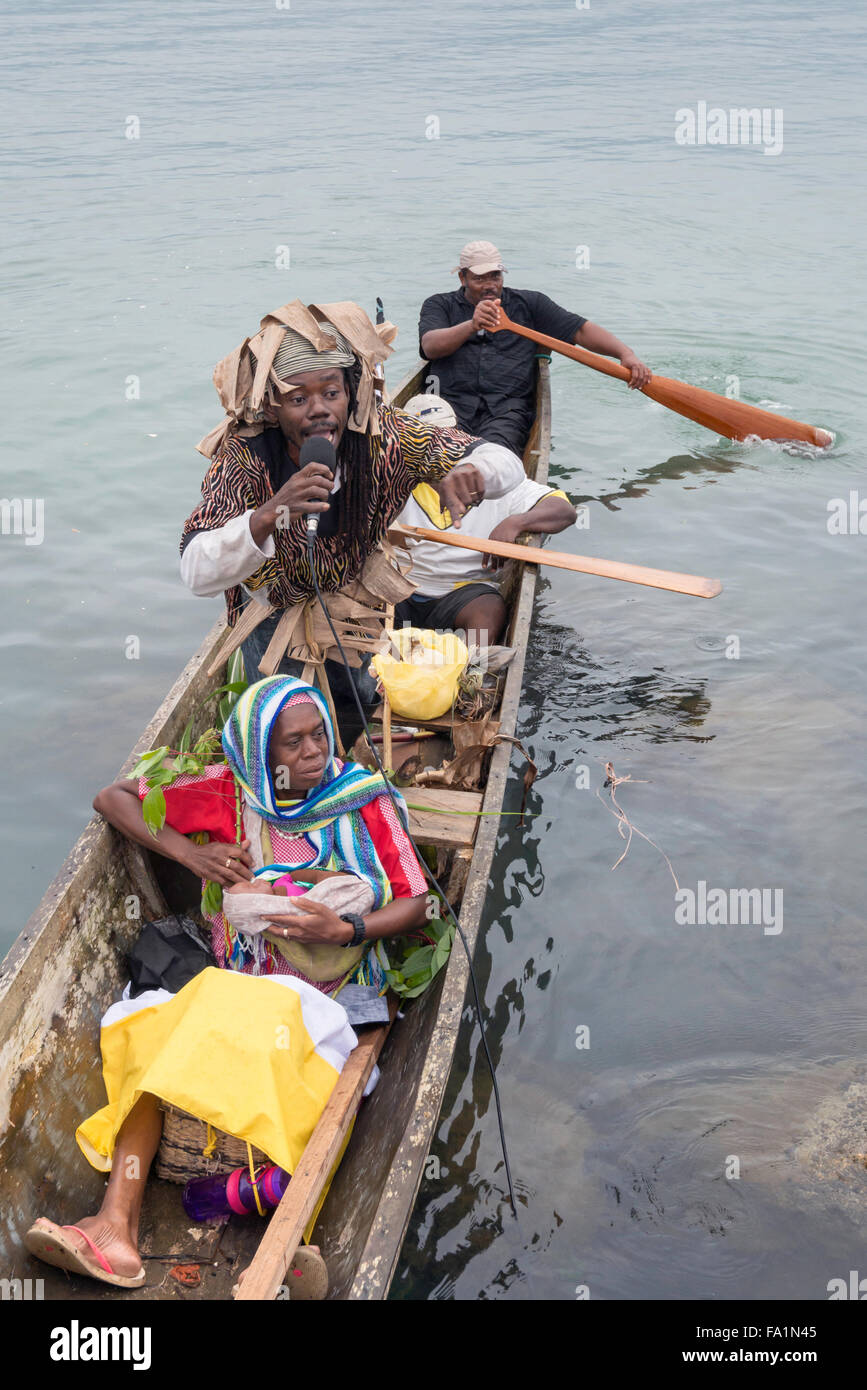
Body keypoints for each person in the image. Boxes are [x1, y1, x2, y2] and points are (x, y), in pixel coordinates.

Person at [24, 675, 431, 1289]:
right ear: (260, 760)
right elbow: (113, 799)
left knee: (319, 1077)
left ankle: (284, 1232)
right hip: (247, 977)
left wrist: (346, 930)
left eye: (319, 733)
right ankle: (114, 1224)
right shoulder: (229, 793)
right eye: (292, 745)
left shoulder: (364, 799)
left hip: (338, 988)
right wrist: (192, 855)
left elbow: (418, 903)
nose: (314, 751)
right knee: (164, 1043)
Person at [180, 299, 525, 742]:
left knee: (358, 707)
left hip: (355, 606)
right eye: (298, 398)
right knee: (285, 735)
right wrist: (268, 514)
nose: (319, 409)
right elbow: (195, 570)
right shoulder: (244, 460)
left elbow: (500, 459)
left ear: (351, 393)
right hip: (273, 621)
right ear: (271, 407)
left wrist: (476, 473)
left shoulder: (384, 437)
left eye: (331, 392)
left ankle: (356, 764)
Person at [418, 240, 652, 453]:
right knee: (433, 452)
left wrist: (625, 353)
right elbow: (430, 347)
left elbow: (580, 330)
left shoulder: (530, 304)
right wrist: (471, 325)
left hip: (507, 412)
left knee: (491, 457)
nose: (489, 285)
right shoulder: (440, 305)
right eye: (480, 279)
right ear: (462, 278)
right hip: (449, 406)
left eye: (495, 276)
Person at [393, 395, 577, 646]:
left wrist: (517, 522)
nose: (435, 451)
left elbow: (564, 511)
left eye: (444, 437)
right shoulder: (392, 478)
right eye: (424, 443)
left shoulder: (488, 478)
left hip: (461, 592)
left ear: (457, 437)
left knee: (490, 609)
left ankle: (468, 669)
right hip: (398, 585)